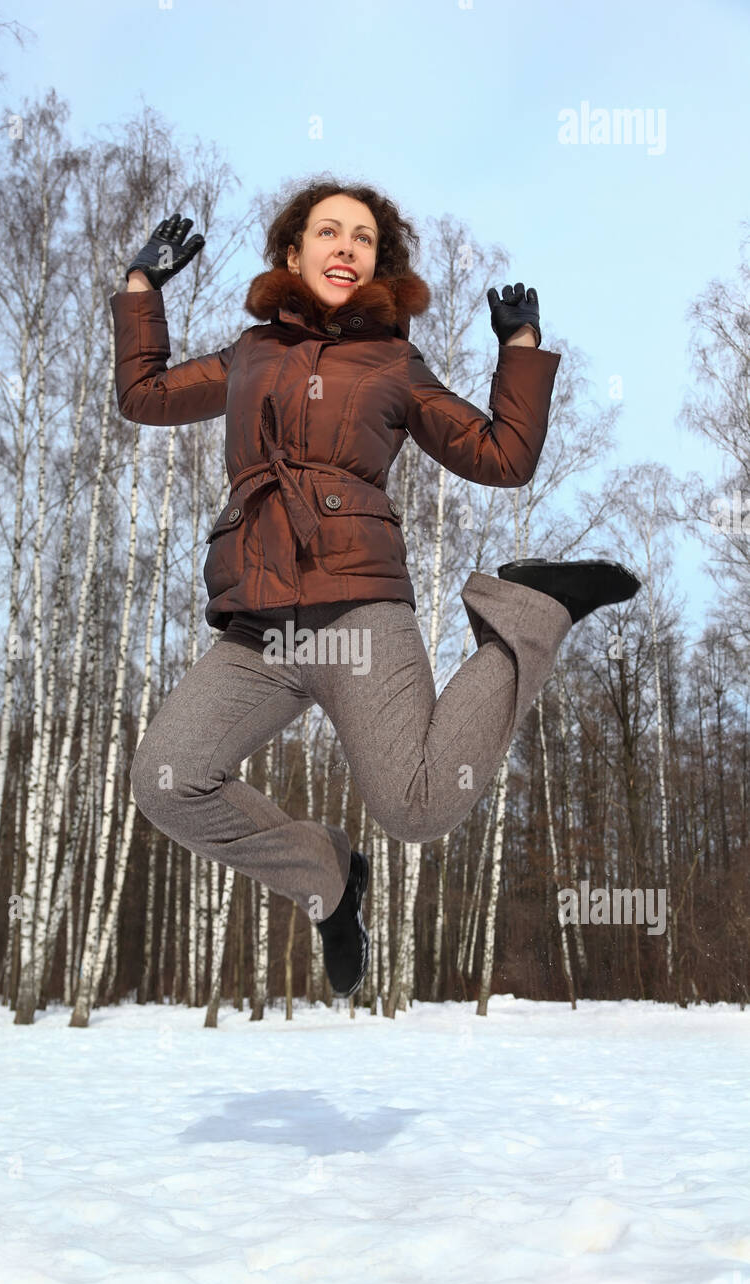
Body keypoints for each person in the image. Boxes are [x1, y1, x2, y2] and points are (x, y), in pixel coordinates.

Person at [109, 181, 639, 1001]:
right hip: (258, 634)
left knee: (420, 808)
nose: (347, 247)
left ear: (376, 266)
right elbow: (143, 396)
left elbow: (502, 456)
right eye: (329, 232)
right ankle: (326, 877)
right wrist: (142, 291)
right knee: (168, 780)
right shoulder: (250, 352)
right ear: (294, 253)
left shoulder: (394, 362)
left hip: (360, 610)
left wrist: (523, 347)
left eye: (364, 238)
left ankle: (536, 607)